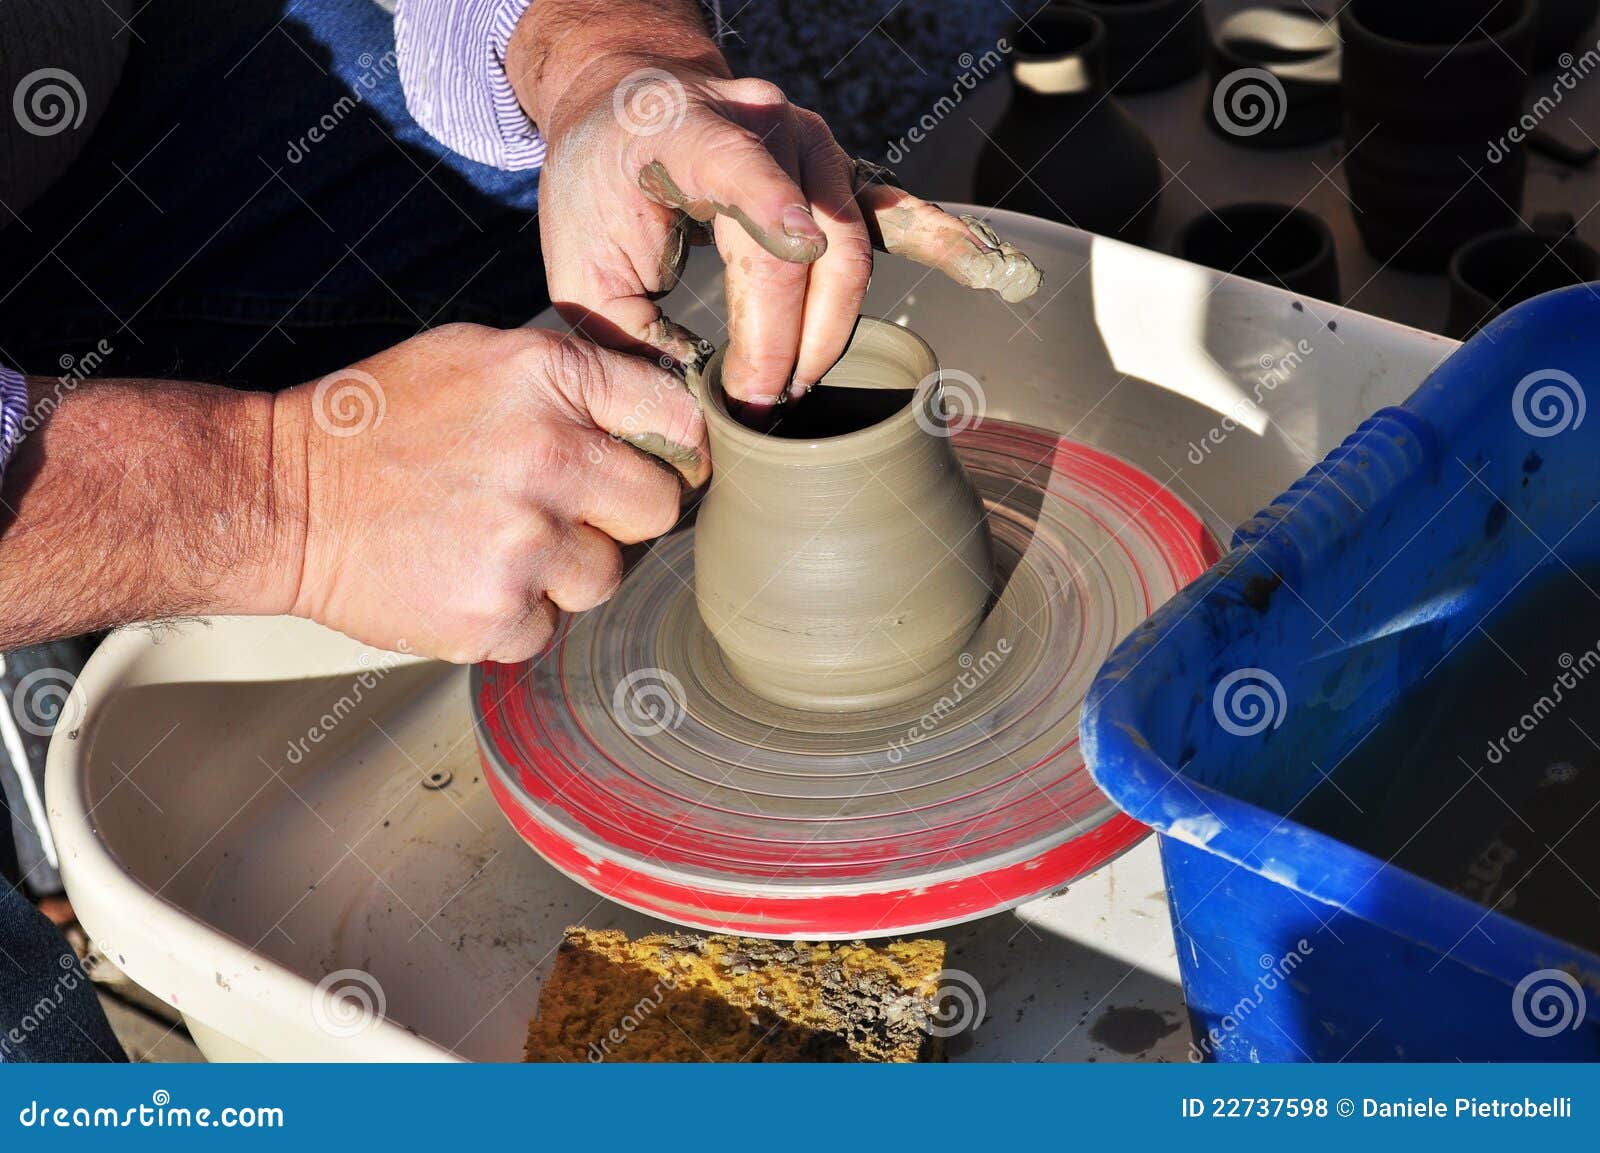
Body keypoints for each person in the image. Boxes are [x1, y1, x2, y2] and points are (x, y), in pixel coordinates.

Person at [0, 0, 1038, 1060]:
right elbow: (284, 491)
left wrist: (609, 60)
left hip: (65, 94)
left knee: (614, 204)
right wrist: (292, 495)